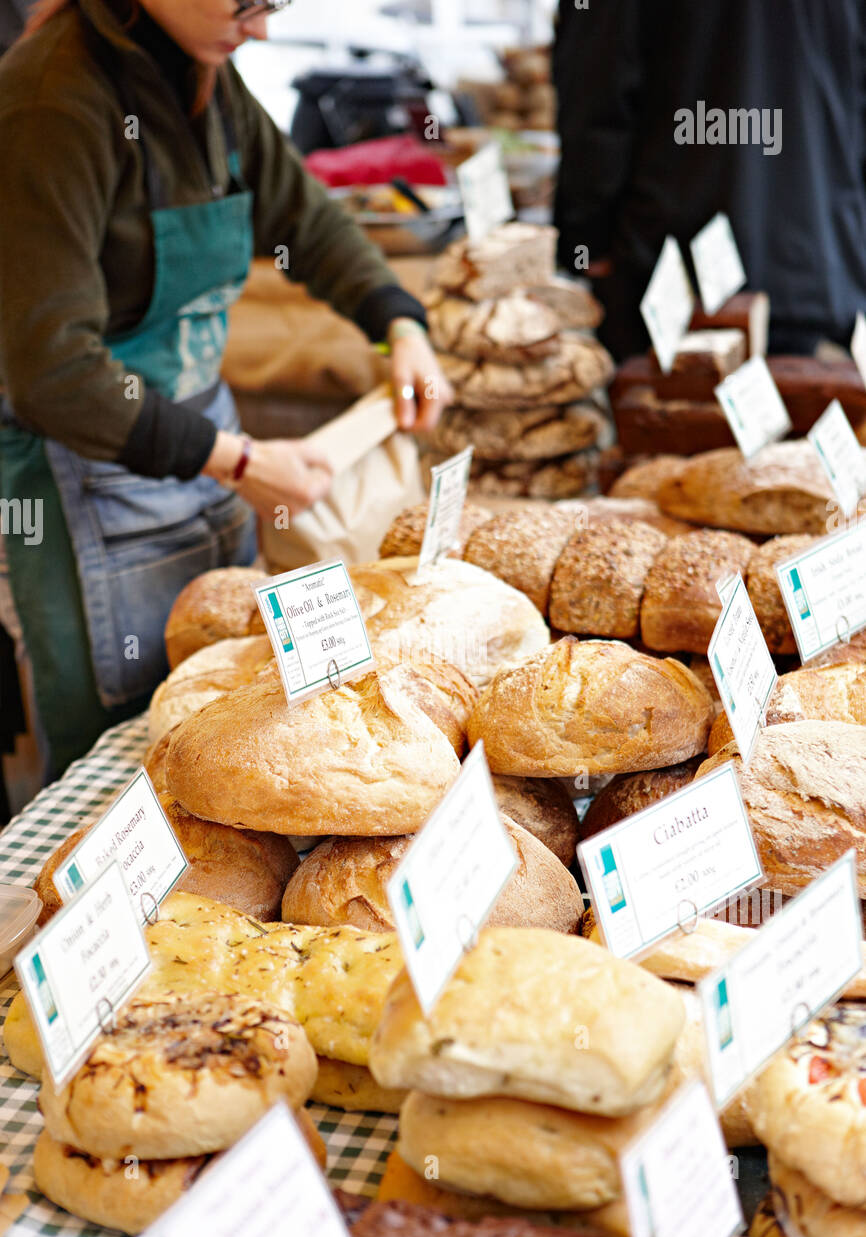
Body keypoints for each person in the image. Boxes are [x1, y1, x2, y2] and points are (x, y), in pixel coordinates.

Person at [0, 0, 451, 776]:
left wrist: (397, 322)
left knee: (232, 725)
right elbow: (53, 372)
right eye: (245, 4)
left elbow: (305, 220)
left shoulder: (205, 75)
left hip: (208, 449)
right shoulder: (52, 101)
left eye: (274, 3)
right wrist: (236, 462)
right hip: (94, 480)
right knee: (124, 765)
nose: (264, 29)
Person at [553, 0, 866, 362]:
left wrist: (587, 239)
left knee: (657, 408)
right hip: (816, 268)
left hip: (668, 273)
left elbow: (595, 87)